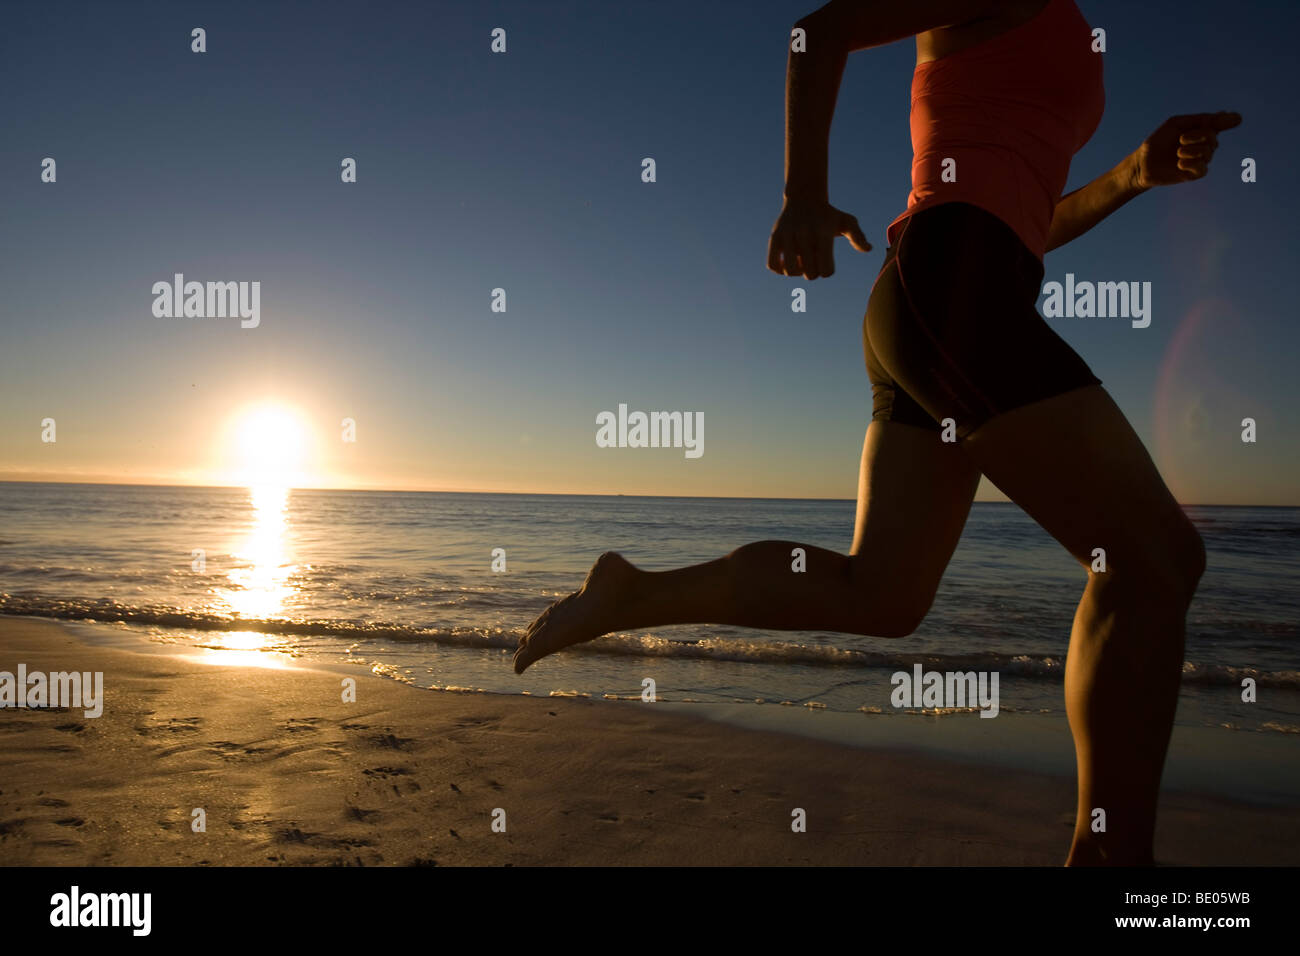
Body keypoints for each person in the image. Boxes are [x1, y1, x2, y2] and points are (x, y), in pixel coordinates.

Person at [513, 0, 1240, 866]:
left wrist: (1130, 176)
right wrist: (803, 196)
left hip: (954, 294)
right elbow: (819, 32)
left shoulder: (1071, 28)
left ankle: (633, 594)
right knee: (1153, 557)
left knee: (884, 597)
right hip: (951, 287)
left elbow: (1029, 218)